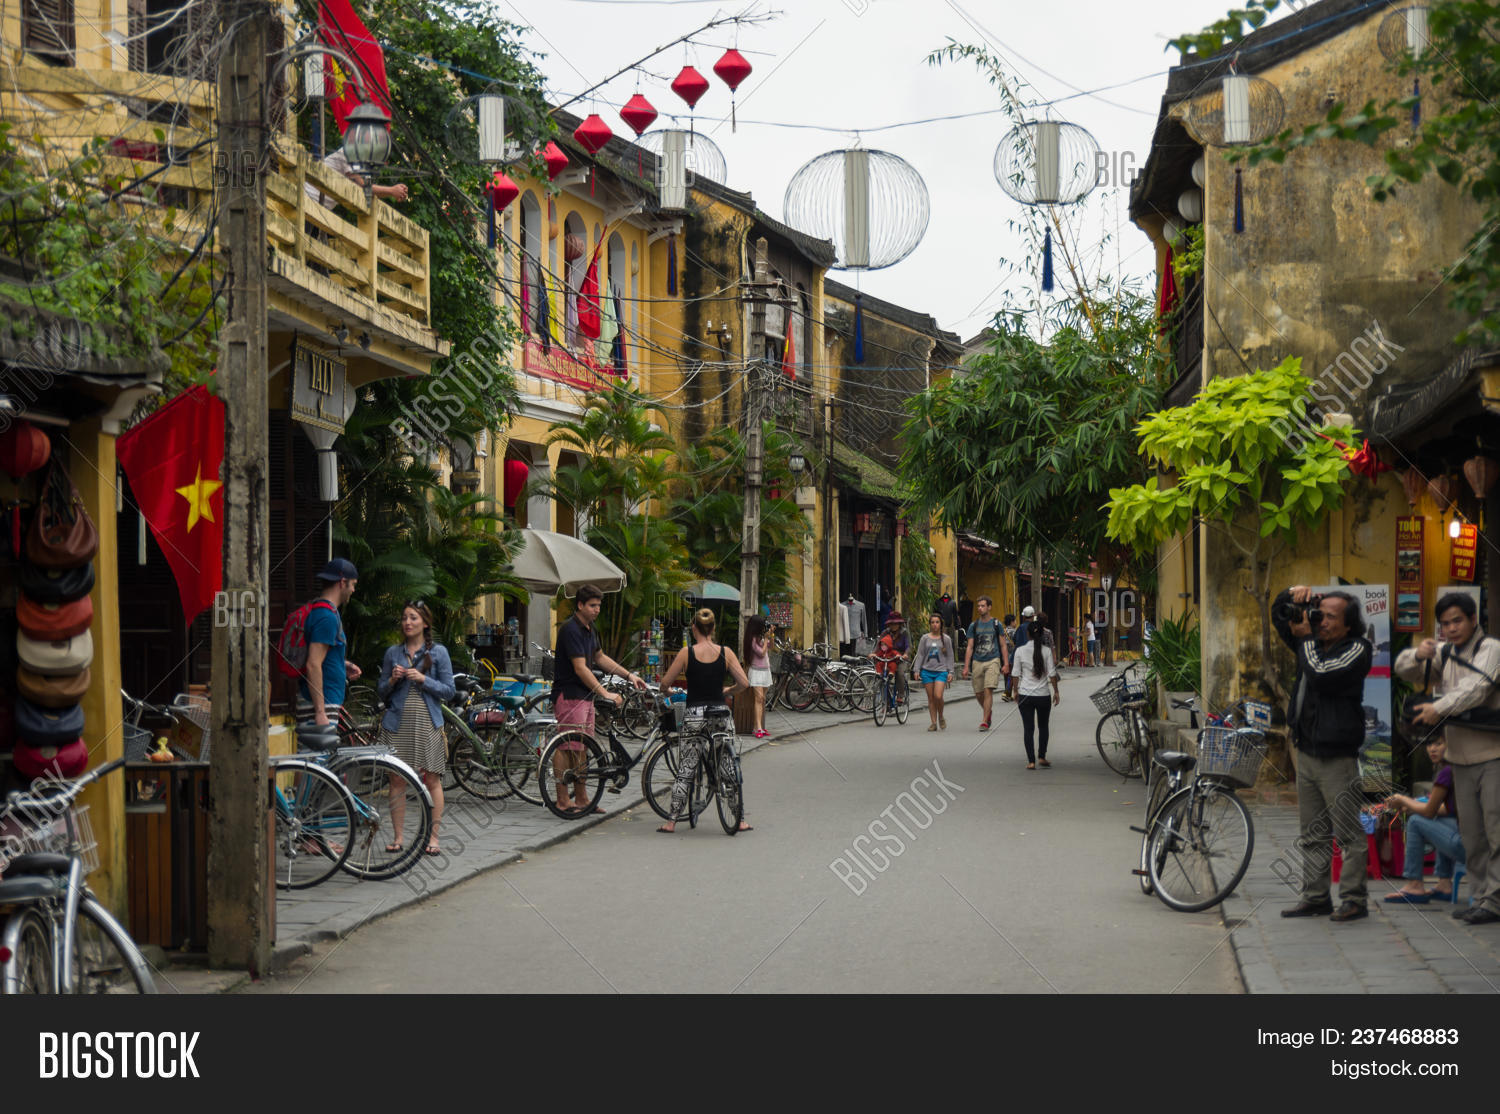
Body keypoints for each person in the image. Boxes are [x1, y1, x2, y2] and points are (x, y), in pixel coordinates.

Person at [1393, 592, 1500, 925]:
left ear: (1473, 620)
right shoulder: (1446, 652)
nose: (1452, 629)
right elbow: (1403, 670)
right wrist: (1416, 655)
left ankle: (1494, 901)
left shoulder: (1492, 649)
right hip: (1460, 759)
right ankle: (1482, 897)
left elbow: (1477, 688)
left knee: (1496, 831)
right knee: (1473, 834)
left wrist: (1437, 707)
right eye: (1445, 624)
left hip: (1493, 754)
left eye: (1457, 621)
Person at [1273, 585, 1374, 923]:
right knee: (1312, 834)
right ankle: (1316, 897)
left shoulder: (1357, 649)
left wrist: (1305, 639)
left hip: (1337, 757)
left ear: (1348, 625)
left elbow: (1322, 674)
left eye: (1331, 617)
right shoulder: (1310, 645)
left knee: (1347, 834)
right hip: (1308, 752)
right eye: (1320, 615)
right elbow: (1279, 617)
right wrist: (1292, 595)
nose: (1322, 622)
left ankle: (1354, 899)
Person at [550, 583, 648, 815]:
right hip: (569, 695)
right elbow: (581, 668)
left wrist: (628, 675)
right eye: (592, 605)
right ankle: (563, 800)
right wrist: (604, 693)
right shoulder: (570, 629)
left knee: (583, 746)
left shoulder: (589, 628)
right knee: (565, 747)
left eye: (599, 606)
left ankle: (583, 799)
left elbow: (600, 657)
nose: (596, 610)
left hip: (584, 697)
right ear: (580, 605)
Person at [655, 608, 752, 833]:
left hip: (695, 714)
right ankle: (740, 819)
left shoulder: (685, 653)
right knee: (728, 764)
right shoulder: (725, 652)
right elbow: (744, 683)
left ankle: (671, 821)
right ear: (714, 629)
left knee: (687, 767)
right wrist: (729, 689)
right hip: (720, 712)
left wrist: (672, 693)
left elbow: (664, 684)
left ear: (694, 628)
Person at [376, 602, 455, 855]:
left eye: (413, 618)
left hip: (427, 720)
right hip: (397, 721)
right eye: (404, 618)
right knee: (397, 780)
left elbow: (449, 691)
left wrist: (423, 679)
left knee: (431, 778)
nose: (407, 622)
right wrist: (392, 679)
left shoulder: (439, 652)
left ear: (425, 623)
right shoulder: (393, 653)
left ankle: (433, 839)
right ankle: (398, 838)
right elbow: (381, 691)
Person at [1379, 733, 1464, 904]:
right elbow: (1447, 809)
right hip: (1473, 840)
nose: (1432, 749)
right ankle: (1444, 884)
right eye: (1429, 745)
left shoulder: (1447, 771)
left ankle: (1414, 884)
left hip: (1467, 846)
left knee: (1416, 822)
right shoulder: (1457, 767)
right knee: (1435, 821)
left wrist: (1404, 800)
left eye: (1439, 744)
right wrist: (1411, 804)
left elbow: (1429, 811)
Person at [298, 558, 363, 731]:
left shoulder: (323, 612)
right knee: (317, 758)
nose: (353, 590)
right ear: (342, 583)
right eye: (352, 584)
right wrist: (320, 712)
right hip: (321, 705)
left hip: (324, 702)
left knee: (319, 757)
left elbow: (320, 656)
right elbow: (313, 664)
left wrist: (344, 665)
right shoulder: (326, 617)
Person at [1014, 612, 1060, 769]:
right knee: (1043, 726)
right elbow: (1052, 674)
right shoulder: (1046, 651)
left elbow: (1014, 674)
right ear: (1041, 633)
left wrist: (1015, 691)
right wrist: (1056, 691)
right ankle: (1042, 756)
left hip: (1025, 695)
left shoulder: (1020, 651)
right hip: (1043, 695)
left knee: (1028, 728)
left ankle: (1031, 761)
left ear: (1028, 634)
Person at [961, 595, 1008, 732]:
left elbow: (1003, 645)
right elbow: (970, 647)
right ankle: (988, 712)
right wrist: (965, 666)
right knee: (978, 693)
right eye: (979, 606)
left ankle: (984, 720)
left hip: (993, 660)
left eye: (983, 606)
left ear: (989, 607)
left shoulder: (996, 624)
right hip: (977, 661)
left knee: (988, 690)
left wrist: (1005, 664)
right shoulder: (973, 625)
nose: (980, 608)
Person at [913, 613, 954, 732]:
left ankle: (941, 716)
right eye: (933, 622)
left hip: (941, 671)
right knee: (931, 698)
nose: (935, 625)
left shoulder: (946, 639)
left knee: (938, 695)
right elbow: (920, 654)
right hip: (927, 671)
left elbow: (950, 656)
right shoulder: (924, 638)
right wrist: (916, 670)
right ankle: (933, 723)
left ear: (941, 624)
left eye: (937, 622)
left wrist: (950, 671)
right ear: (930, 624)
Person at [743, 615, 772, 739]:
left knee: (762, 699)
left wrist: (770, 636)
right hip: (756, 671)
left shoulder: (760, 637)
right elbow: (761, 653)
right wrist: (765, 640)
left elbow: (771, 647)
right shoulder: (752, 639)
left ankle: (758, 726)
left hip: (766, 671)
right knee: (758, 699)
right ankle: (758, 728)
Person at [873, 612, 909, 711]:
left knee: (900, 673)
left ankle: (900, 695)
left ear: (899, 624)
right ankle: (886, 702)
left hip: (900, 657)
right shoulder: (885, 632)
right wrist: (874, 653)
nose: (894, 626)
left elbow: (908, 646)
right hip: (888, 656)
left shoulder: (904, 632)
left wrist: (905, 654)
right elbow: (879, 645)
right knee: (883, 677)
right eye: (892, 623)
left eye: (896, 623)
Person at [1001, 613, 1018, 702]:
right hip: (1012, 656)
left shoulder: (1002, 631)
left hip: (1004, 656)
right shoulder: (1014, 631)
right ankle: (1006, 692)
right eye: (1015, 621)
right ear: (1012, 622)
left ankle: (1008, 694)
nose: (1016, 622)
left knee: (1006, 674)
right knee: (1012, 674)